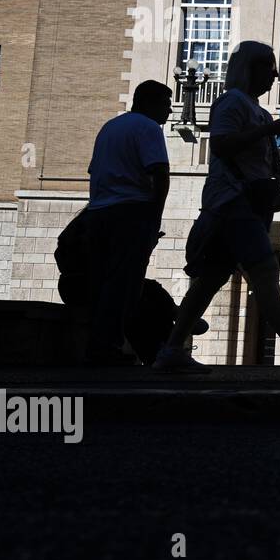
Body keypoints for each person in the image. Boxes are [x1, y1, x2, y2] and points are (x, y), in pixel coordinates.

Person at [155, 40, 280, 372]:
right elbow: (221, 144)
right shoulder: (231, 103)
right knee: (264, 269)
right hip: (232, 202)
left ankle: (171, 349)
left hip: (239, 206)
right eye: (268, 66)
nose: (275, 74)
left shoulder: (258, 110)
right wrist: (269, 128)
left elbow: (275, 164)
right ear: (249, 68)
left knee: (210, 279)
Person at [80, 80, 173, 364]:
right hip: (131, 212)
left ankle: (100, 344)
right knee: (125, 284)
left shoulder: (110, 128)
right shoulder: (148, 128)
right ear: (150, 103)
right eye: (166, 104)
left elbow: (93, 170)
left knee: (104, 280)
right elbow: (159, 174)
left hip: (98, 213)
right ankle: (109, 347)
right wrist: (154, 217)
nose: (169, 111)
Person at [55, 208, 209, 365]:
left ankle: (171, 332)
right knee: (138, 298)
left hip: (77, 285)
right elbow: (124, 269)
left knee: (146, 290)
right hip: (86, 288)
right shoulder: (105, 227)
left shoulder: (85, 223)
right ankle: (165, 341)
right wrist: (145, 249)